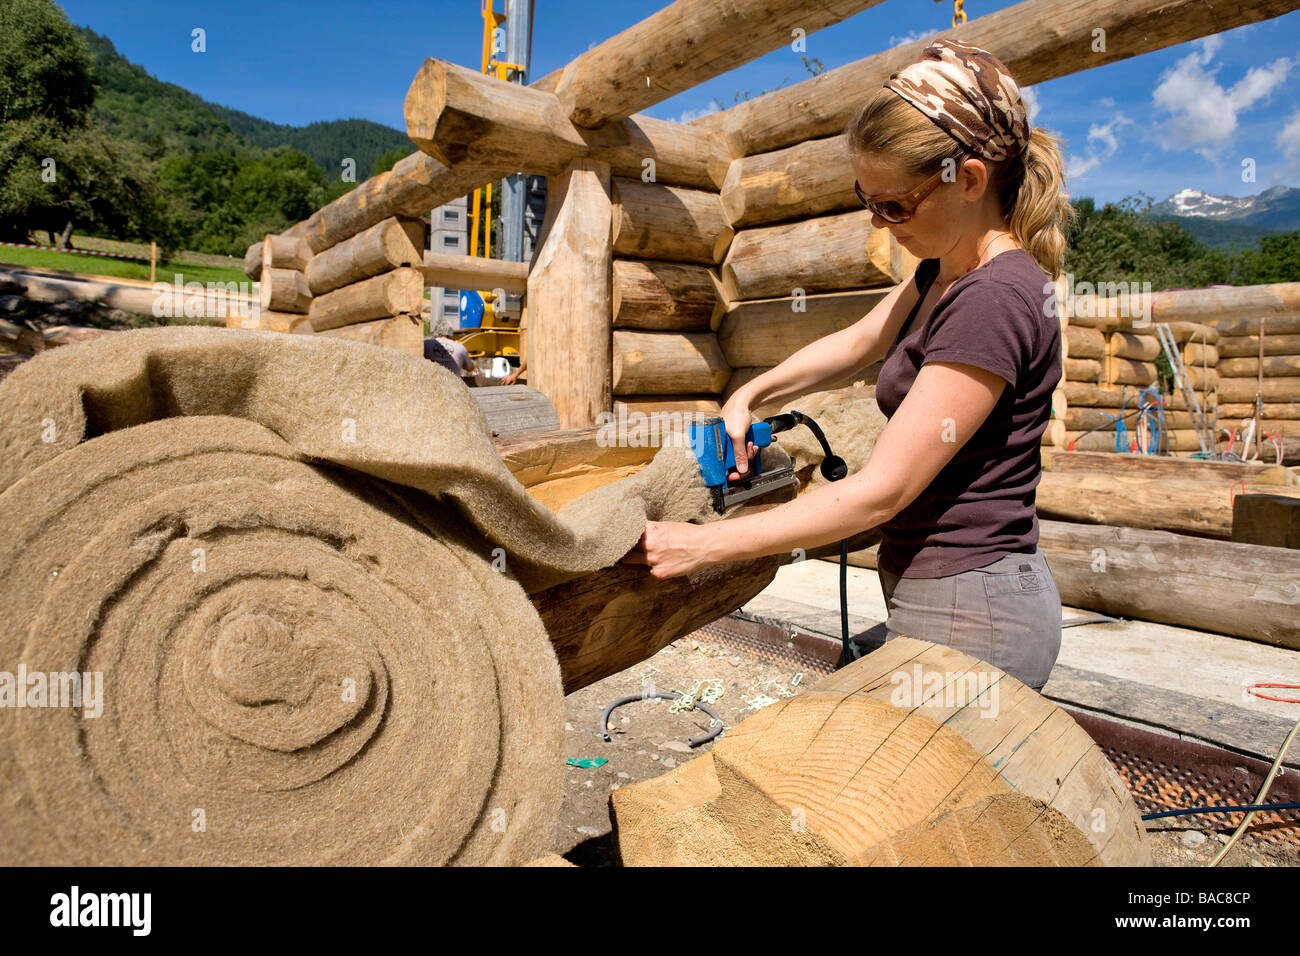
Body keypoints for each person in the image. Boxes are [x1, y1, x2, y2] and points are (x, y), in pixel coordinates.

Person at [622, 39, 1074, 691]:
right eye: (868, 199)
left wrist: (702, 544)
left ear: (970, 180)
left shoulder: (993, 301)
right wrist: (750, 394)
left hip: (978, 612)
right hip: (940, 593)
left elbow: (880, 491)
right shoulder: (941, 273)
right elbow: (857, 344)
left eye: (895, 205)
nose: (880, 222)